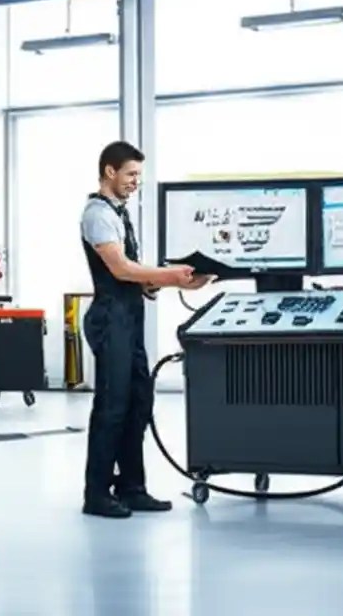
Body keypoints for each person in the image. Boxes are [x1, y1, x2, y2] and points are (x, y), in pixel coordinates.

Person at [79, 141, 213, 518]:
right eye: (131, 174)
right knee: (111, 407)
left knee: (139, 401)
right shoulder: (97, 214)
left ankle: (132, 487)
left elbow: (135, 279)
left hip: (129, 317)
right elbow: (120, 269)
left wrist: (178, 282)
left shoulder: (120, 213)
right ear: (109, 171)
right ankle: (96, 494)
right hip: (110, 319)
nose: (136, 181)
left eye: (139, 174)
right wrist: (167, 275)